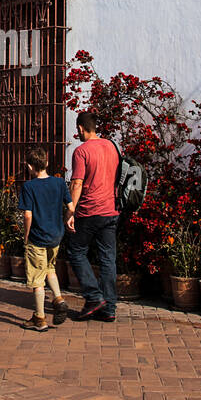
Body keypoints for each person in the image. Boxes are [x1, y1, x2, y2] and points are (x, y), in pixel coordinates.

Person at [66, 111, 120, 321]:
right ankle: (109, 308)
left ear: (80, 128)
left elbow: (77, 182)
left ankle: (94, 297)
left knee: (76, 251)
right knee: (108, 259)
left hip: (90, 210)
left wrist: (71, 211)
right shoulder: (112, 147)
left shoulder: (82, 151)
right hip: (111, 209)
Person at [17, 145, 73, 331]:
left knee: (37, 279)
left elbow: (27, 215)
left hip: (37, 238)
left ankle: (40, 318)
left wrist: (26, 236)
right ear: (47, 162)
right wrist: (65, 221)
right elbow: (71, 207)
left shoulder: (29, 187)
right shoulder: (59, 183)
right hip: (56, 236)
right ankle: (58, 298)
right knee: (50, 268)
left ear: (30, 166)